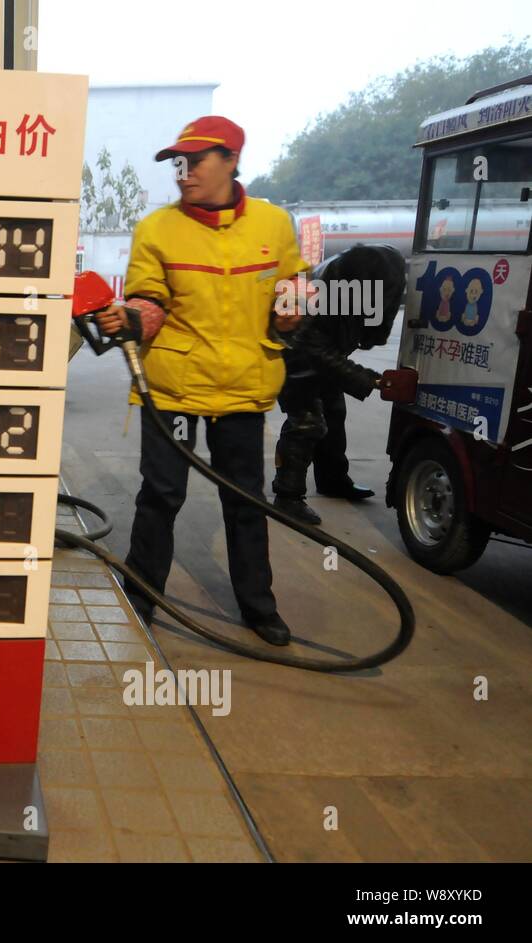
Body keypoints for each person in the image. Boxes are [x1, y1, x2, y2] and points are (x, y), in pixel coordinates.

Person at [95, 116, 306, 647]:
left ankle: (259, 607)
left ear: (231, 160)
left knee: (246, 501)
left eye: (194, 162)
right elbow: (151, 298)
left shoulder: (273, 224)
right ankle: (141, 595)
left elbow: (291, 284)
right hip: (173, 390)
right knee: (162, 495)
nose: (183, 173)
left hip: (243, 388)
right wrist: (134, 318)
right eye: (177, 164)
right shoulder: (157, 229)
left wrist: (294, 305)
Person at [271, 243, 405, 524]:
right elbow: (313, 349)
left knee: (333, 412)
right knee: (306, 421)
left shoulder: (377, 272)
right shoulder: (316, 295)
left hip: (321, 350)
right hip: (293, 352)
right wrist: (368, 379)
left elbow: (366, 328)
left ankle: (333, 480)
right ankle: (287, 496)